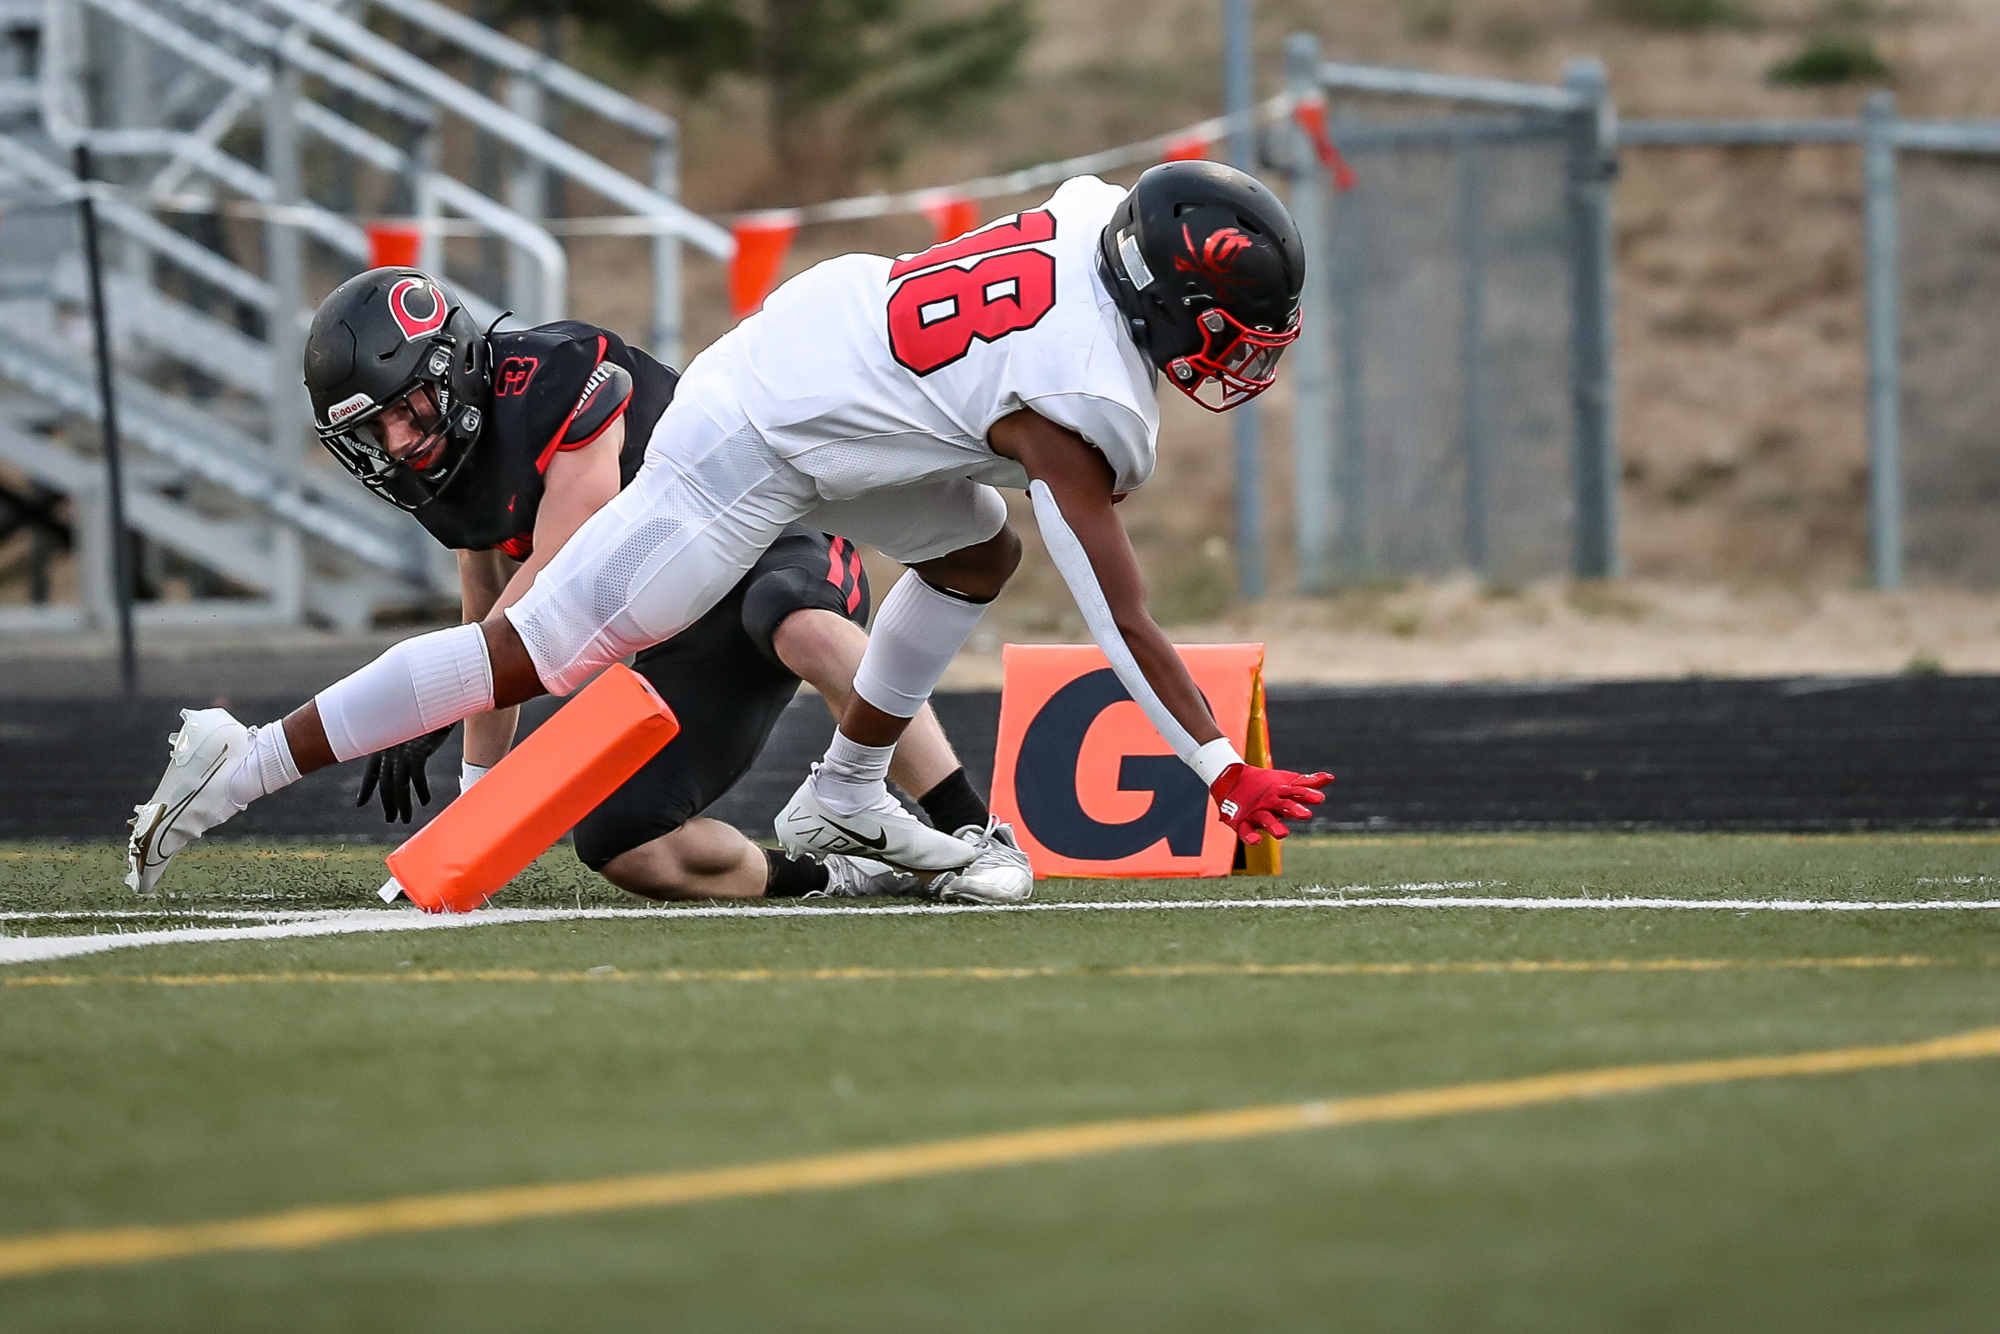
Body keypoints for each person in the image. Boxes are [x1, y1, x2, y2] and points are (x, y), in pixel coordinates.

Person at [126, 160, 1332, 896]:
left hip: (841, 366)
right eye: (1228, 326)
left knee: (975, 545)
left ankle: (846, 792)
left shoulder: (1091, 222)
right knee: (531, 652)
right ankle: (243, 758)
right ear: (1166, 298)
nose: (1235, 353)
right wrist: (1217, 764)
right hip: (755, 432)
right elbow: (1119, 613)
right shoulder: (1083, 397)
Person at [130, 269, 1029, 903]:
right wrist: (475, 806)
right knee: (625, 847)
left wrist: (431, 703)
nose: (399, 445)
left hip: (773, 541)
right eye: (377, 432)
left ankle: (972, 826)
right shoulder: (444, 470)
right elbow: (487, 613)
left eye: (406, 409)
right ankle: (841, 871)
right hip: (674, 624)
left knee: (792, 618)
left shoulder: (565, 378)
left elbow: (553, 590)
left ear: (451, 369)